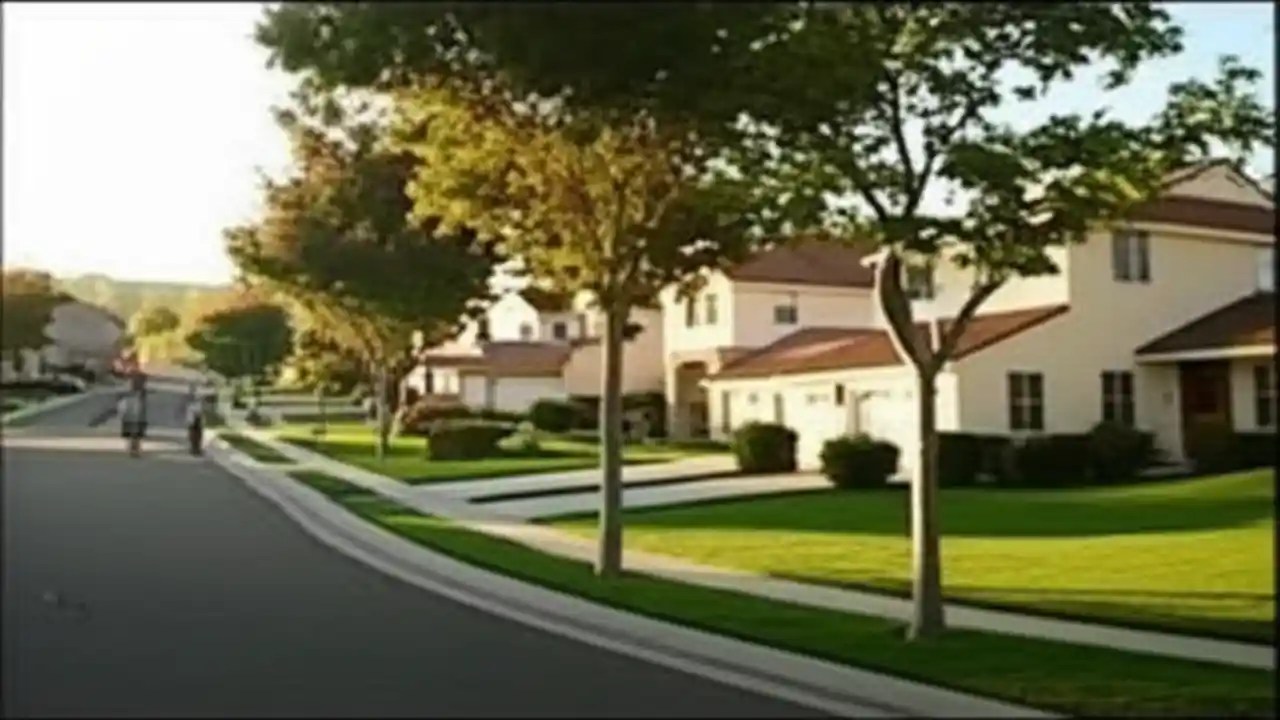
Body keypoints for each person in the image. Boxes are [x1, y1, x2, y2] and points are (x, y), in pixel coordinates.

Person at [118, 392, 143, 457]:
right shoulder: (136, 400)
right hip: (134, 419)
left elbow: (121, 410)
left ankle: (133, 449)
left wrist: (122, 417)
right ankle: (135, 449)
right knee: (135, 435)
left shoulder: (124, 401)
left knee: (131, 436)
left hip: (128, 419)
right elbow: (138, 410)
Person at [184, 390, 205, 455]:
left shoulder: (191, 405)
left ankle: (195, 448)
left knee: (195, 436)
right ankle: (195, 448)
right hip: (195, 421)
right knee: (195, 435)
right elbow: (198, 413)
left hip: (193, 421)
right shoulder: (195, 405)